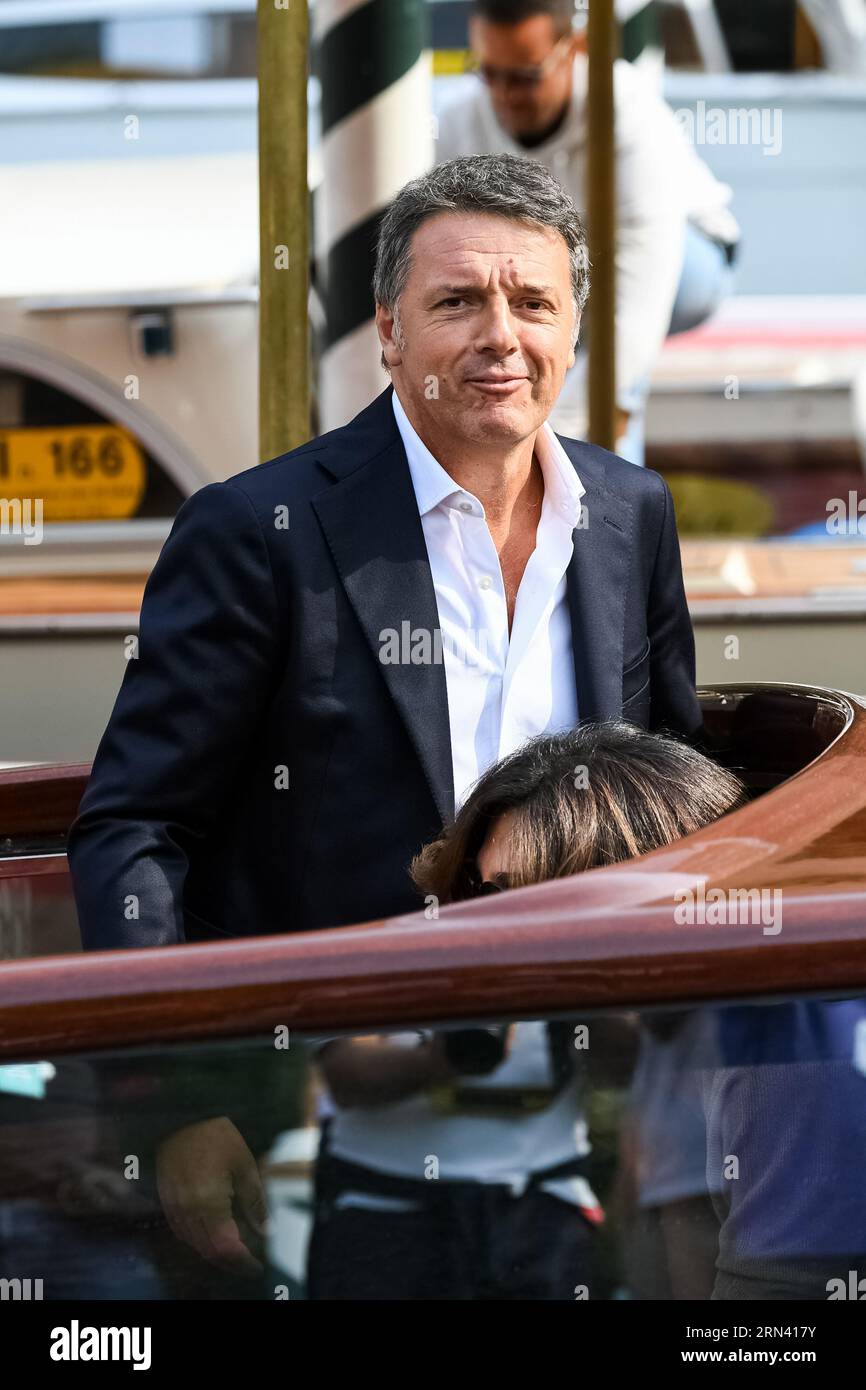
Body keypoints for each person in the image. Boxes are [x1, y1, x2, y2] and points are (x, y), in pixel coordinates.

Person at [67, 152, 702, 1270]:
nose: (499, 334)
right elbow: (136, 828)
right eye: (456, 300)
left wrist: (673, 1085)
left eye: (532, 301)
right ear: (388, 332)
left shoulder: (628, 518)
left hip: (586, 1155)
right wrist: (170, 1098)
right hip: (308, 1159)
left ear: (572, 329)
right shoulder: (255, 531)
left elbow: (677, 812)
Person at [305, 720, 746, 1299]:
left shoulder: (761, 1033)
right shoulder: (389, 927)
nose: (504, 923)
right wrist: (450, 1056)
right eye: (487, 894)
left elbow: (627, 1064)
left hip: (541, 1207)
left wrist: (574, 992)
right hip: (389, 1208)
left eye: (547, 898)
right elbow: (346, 1073)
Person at [435, 0, 740, 465]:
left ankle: (616, 513)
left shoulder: (629, 112)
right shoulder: (458, 121)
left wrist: (555, 434)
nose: (504, 95)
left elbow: (639, 296)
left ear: (575, 49)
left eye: (524, 77)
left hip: (688, 266)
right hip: (559, 281)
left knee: (615, 377)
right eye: (489, 73)